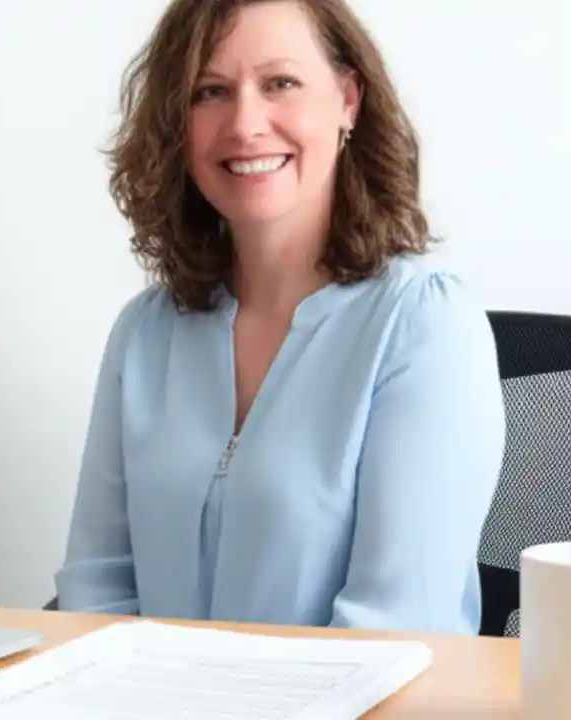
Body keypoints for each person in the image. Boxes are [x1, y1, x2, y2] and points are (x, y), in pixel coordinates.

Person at [53, 0, 505, 634]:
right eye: (209, 92)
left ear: (348, 100)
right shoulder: (145, 334)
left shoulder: (423, 326)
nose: (244, 124)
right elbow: (95, 591)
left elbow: (393, 631)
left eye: (280, 83)